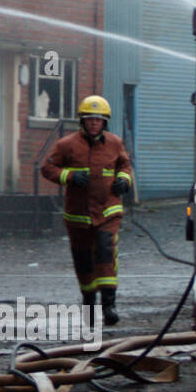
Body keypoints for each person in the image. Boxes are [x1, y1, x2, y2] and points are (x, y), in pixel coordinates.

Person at [40, 94, 133, 326]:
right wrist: (68, 176)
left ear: (105, 122)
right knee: (83, 259)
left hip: (108, 211)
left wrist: (124, 180)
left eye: (99, 120)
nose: (94, 123)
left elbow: (125, 164)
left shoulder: (114, 143)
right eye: (90, 119)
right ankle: (89, 303)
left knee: (105, 252)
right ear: (82, 121)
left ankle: (109, 305)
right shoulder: (66, 145)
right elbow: (47, 168)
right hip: (78, 215)